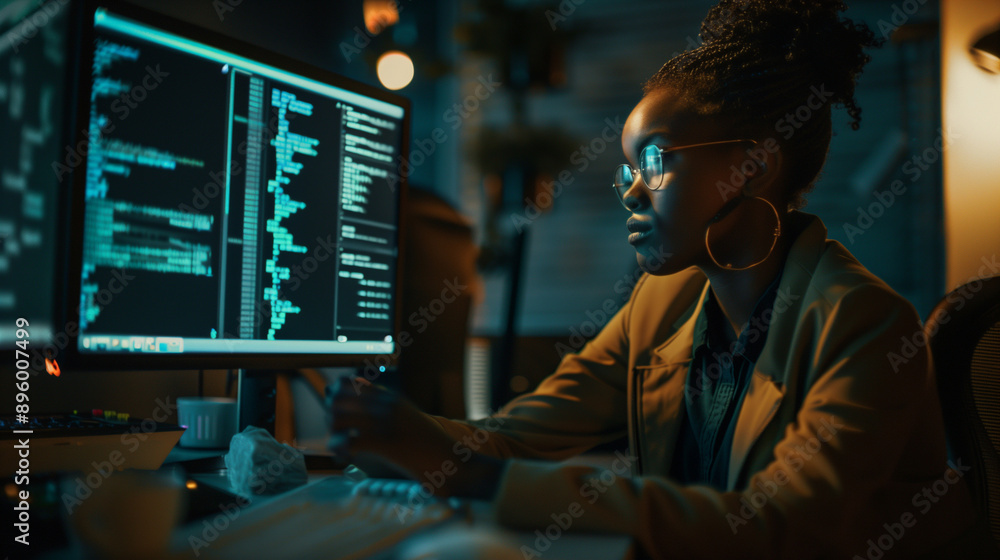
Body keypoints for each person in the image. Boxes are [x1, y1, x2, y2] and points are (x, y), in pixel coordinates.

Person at [328, 1, 985, 557]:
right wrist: (401, 435)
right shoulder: (664, 301)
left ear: (752, 164)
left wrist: (466, 473)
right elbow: (524, 432)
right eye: (625, 171)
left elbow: (779, 527)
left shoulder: (864, 323)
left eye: (653, 161)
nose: (630, 192)